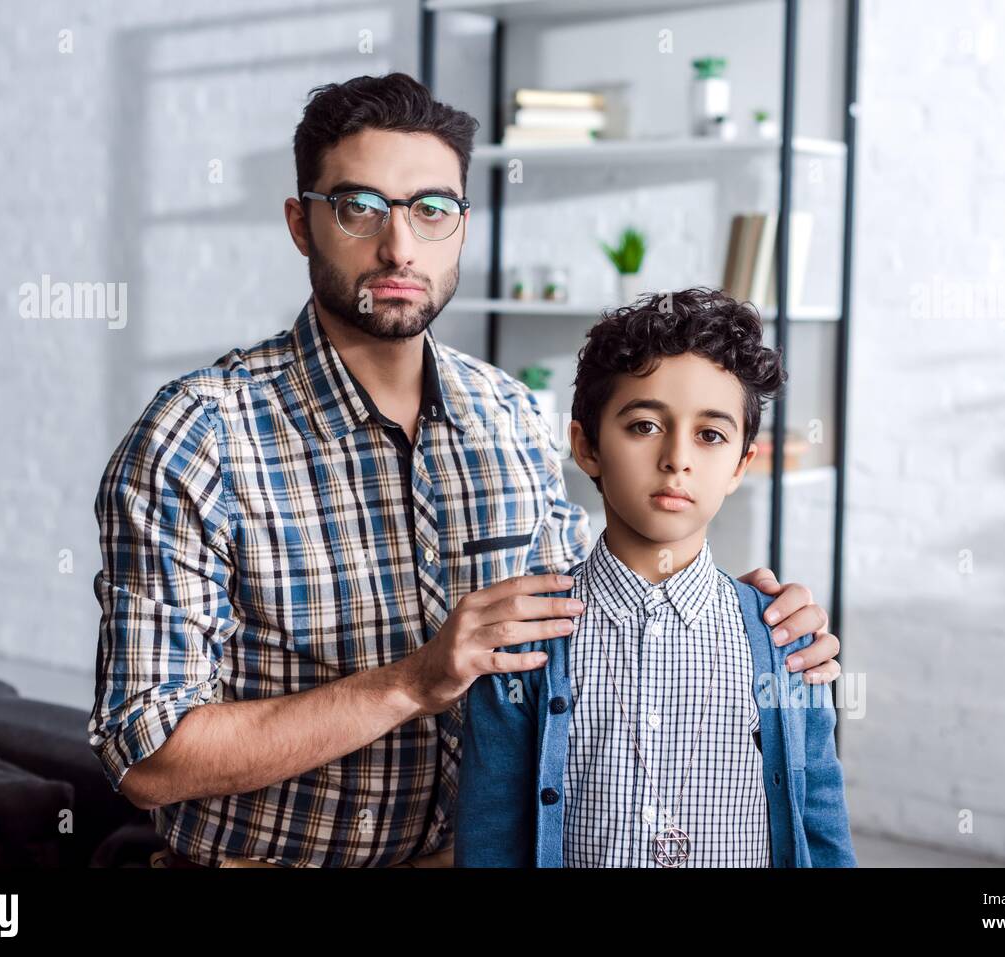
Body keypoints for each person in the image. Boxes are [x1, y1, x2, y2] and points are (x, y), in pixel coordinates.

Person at [87, 74, 841, 868]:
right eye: (359, 206)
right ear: (301, 224)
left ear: (462, 227)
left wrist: (752, 626)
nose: (399, 246)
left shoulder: (512, 416)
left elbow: (578, 624)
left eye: (430, 209)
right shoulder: (198, 436)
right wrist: (413, 680)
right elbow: (146, 756)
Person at [456, 288, 856, 867]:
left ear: (742, 463)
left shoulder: (784, 642)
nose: (677, 458)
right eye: (644, 426)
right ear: (587, 446)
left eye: (710, 435)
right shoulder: (525, 643)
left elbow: (819, 815)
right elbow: (491, 834)